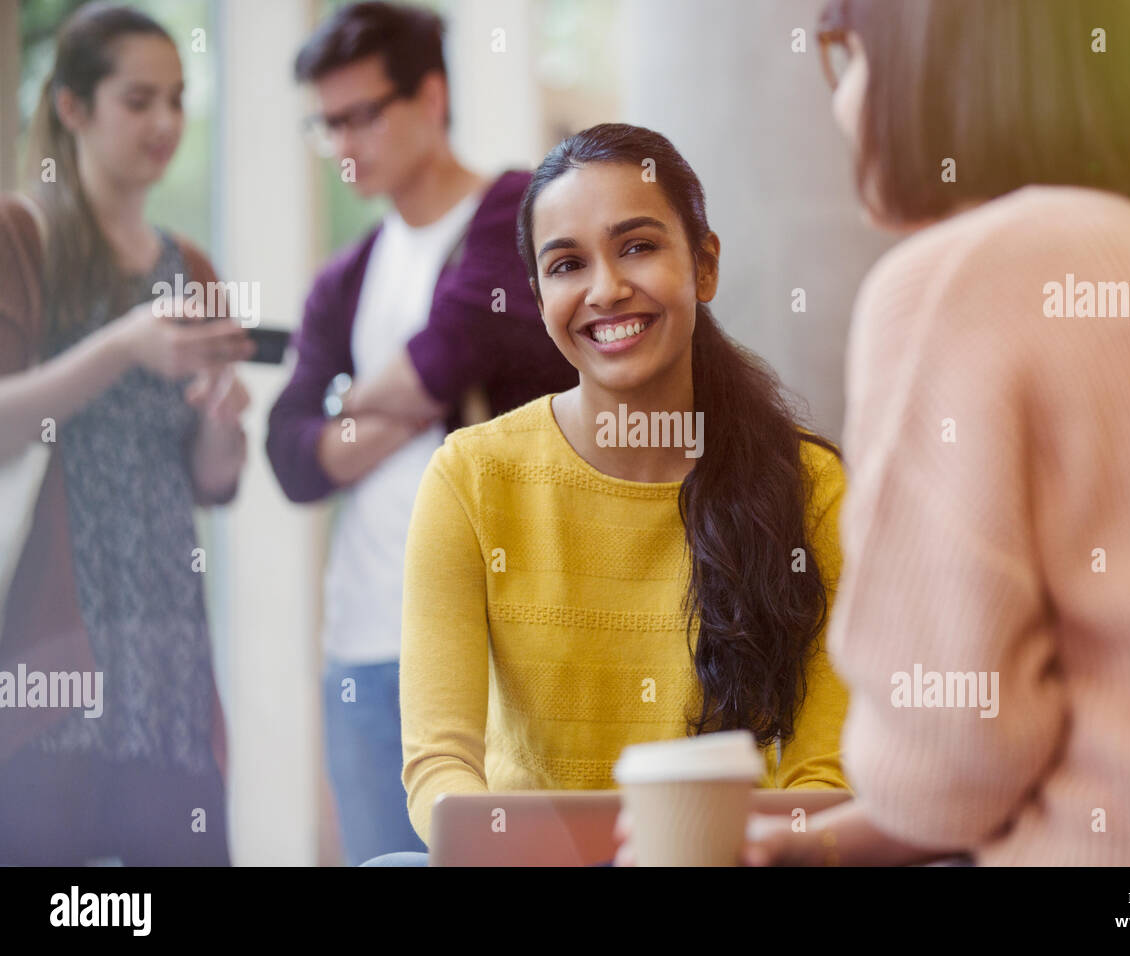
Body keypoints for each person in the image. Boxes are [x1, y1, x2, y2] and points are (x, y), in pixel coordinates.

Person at [740, 0, 1130, 866]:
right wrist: (824, 841)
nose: (843, 103)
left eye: (849, 56)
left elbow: (947, 758)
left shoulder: (954, 279)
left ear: (927, 68)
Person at [384, 122, 852, 863]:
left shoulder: (814, 490)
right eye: (567, 264)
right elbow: (440, 767)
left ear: (703, 266)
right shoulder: (470, 477)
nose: (606, 290)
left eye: (637, 246)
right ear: (539, 300)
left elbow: (823, 775)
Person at [265, 1, 576, 865]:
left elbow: (445, 358)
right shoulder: (346, 277)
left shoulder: (516, 212)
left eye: (362, 114)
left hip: (497, 643)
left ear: (432, 97)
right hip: (364, 645)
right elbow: (291, 457)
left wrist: (352, 406)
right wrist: (400, 403)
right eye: (327, 123)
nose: (342, 143)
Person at [0, 4, 253, 865]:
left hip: (167, 656)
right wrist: (123, 347)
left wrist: (222, 424)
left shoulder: (190, 265)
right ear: (72, 107)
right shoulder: (20, 238)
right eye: (138, 100)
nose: (166, 124)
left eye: (177, 100)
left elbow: (213, 482)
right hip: (50, 649)